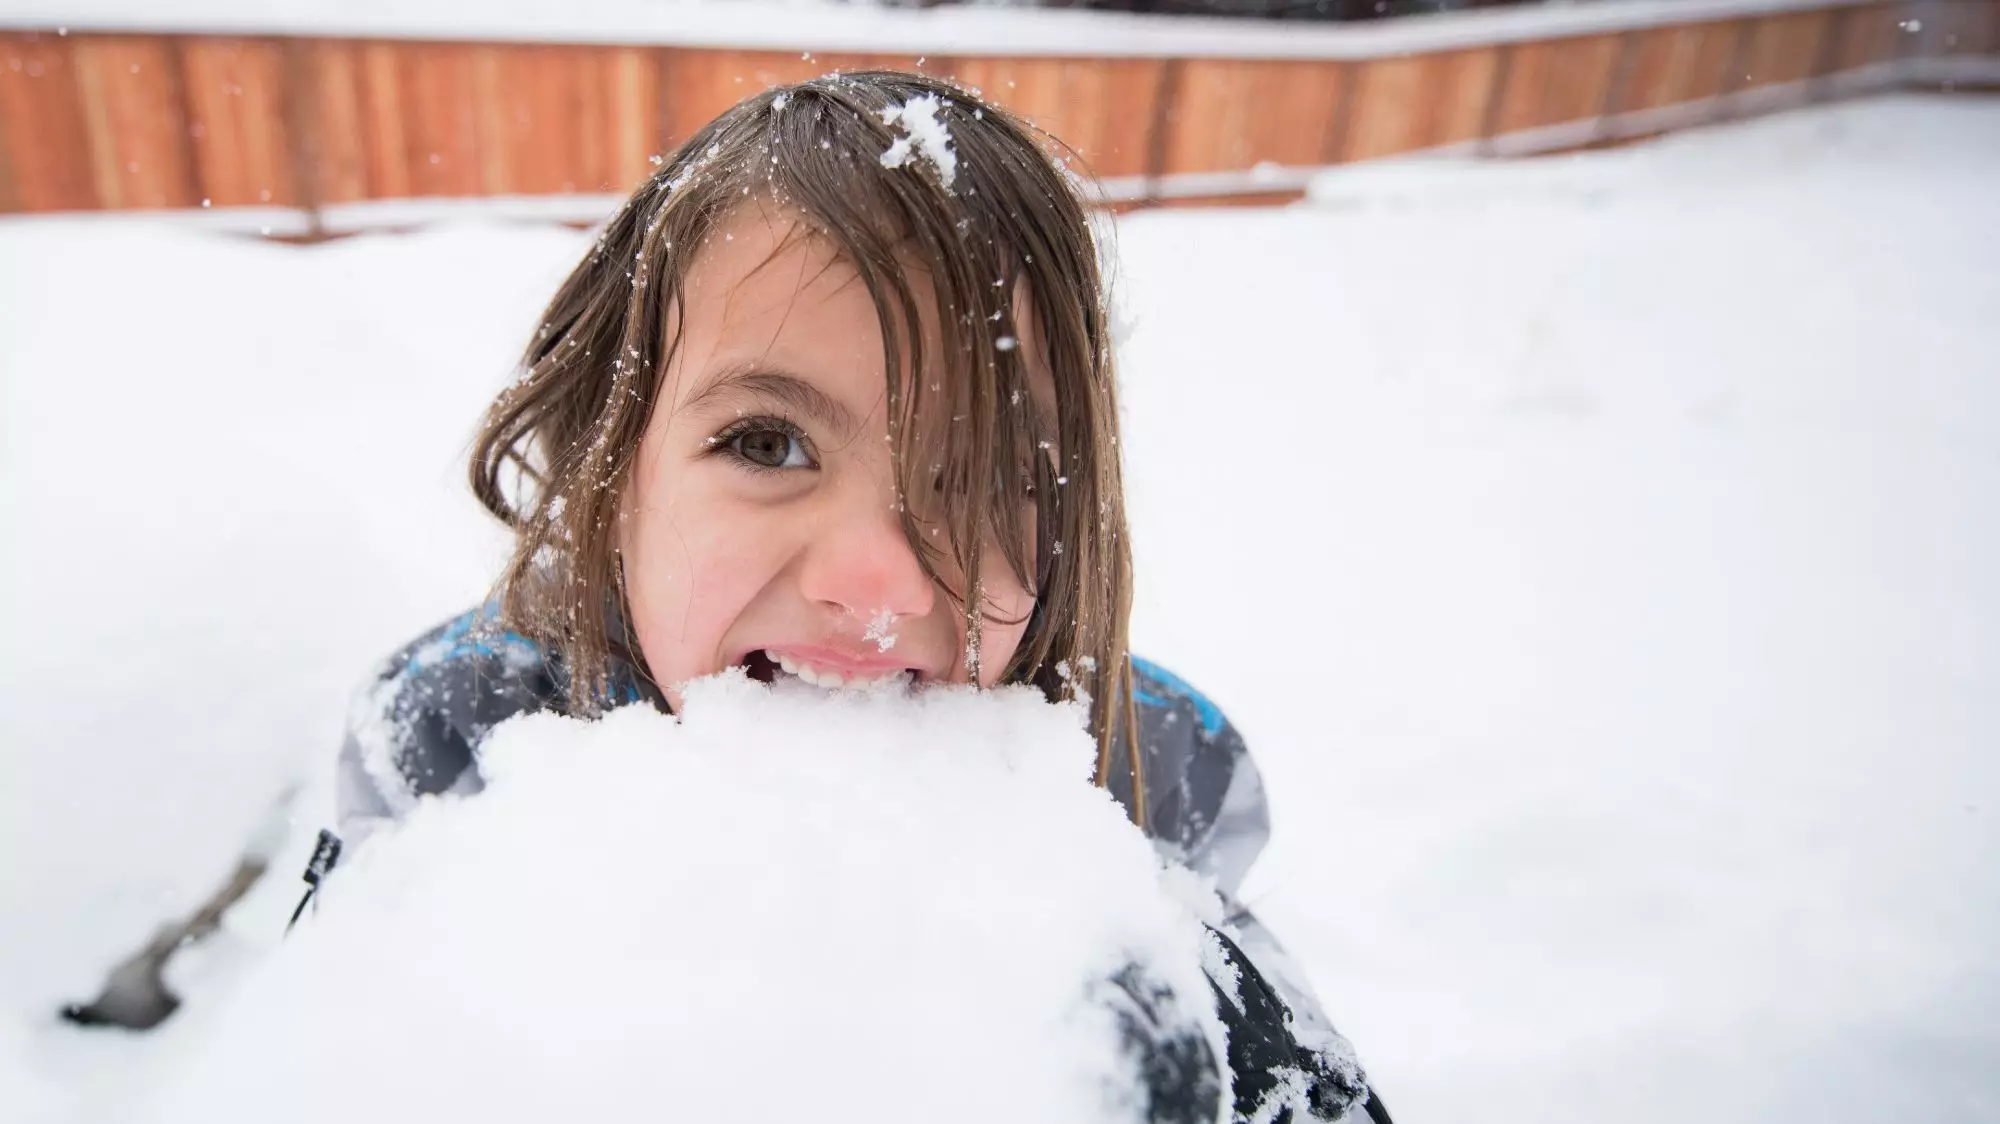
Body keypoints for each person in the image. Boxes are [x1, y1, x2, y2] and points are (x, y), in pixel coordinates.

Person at [332, 70, 1389, 1124]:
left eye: (978, 474)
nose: (875, 582)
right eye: (765, 443)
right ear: (617, 476)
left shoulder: (1147, 783)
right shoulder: (458, 748)